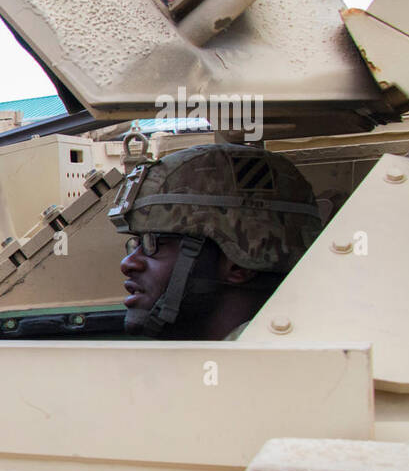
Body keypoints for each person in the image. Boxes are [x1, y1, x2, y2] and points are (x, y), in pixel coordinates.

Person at [110, 143, 323, 340]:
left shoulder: (263, 371)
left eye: (153, 244)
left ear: (239, 264)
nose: (128, 263)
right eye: (136, 244)